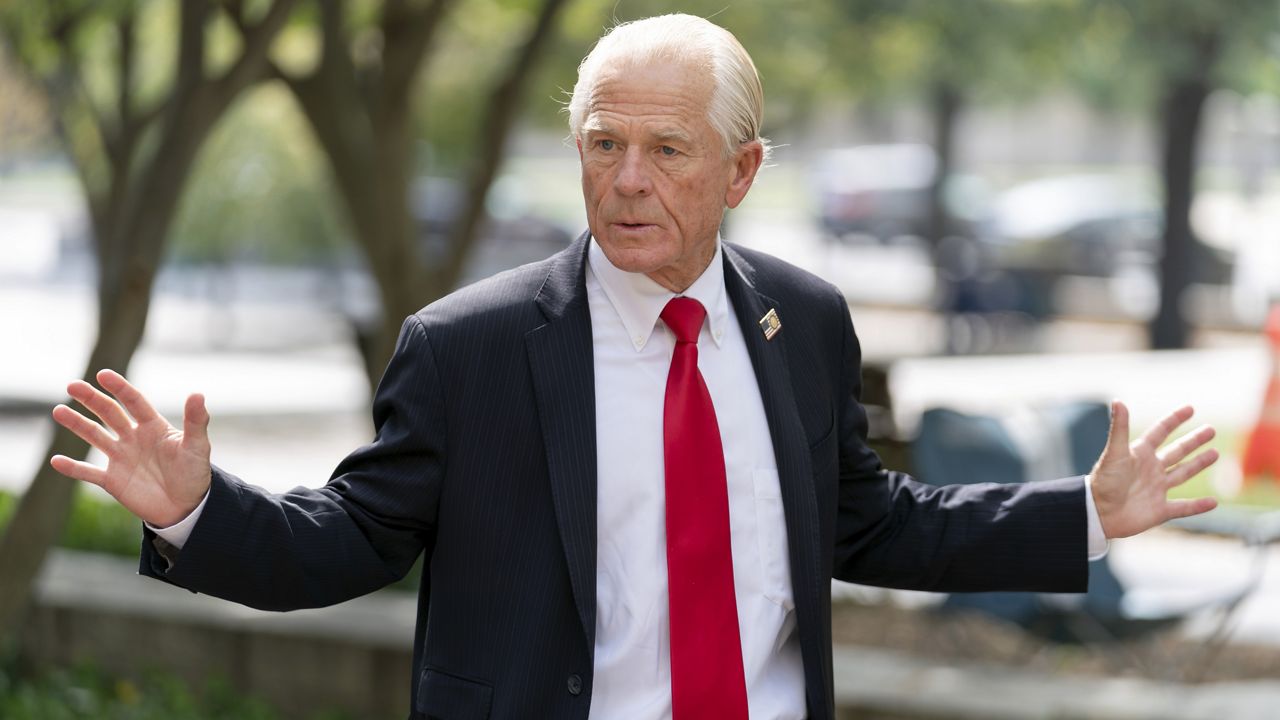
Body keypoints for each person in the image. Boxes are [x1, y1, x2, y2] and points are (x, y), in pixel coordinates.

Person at [49, 14, 1219, 720]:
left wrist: (1082, 516)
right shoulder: (471, 347)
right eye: (603, 145)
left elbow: (870, 522)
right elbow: (349, 536)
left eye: (666, 150)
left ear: (741, 171)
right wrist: (198, 513)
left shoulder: (801, 323)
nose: (626, 179)